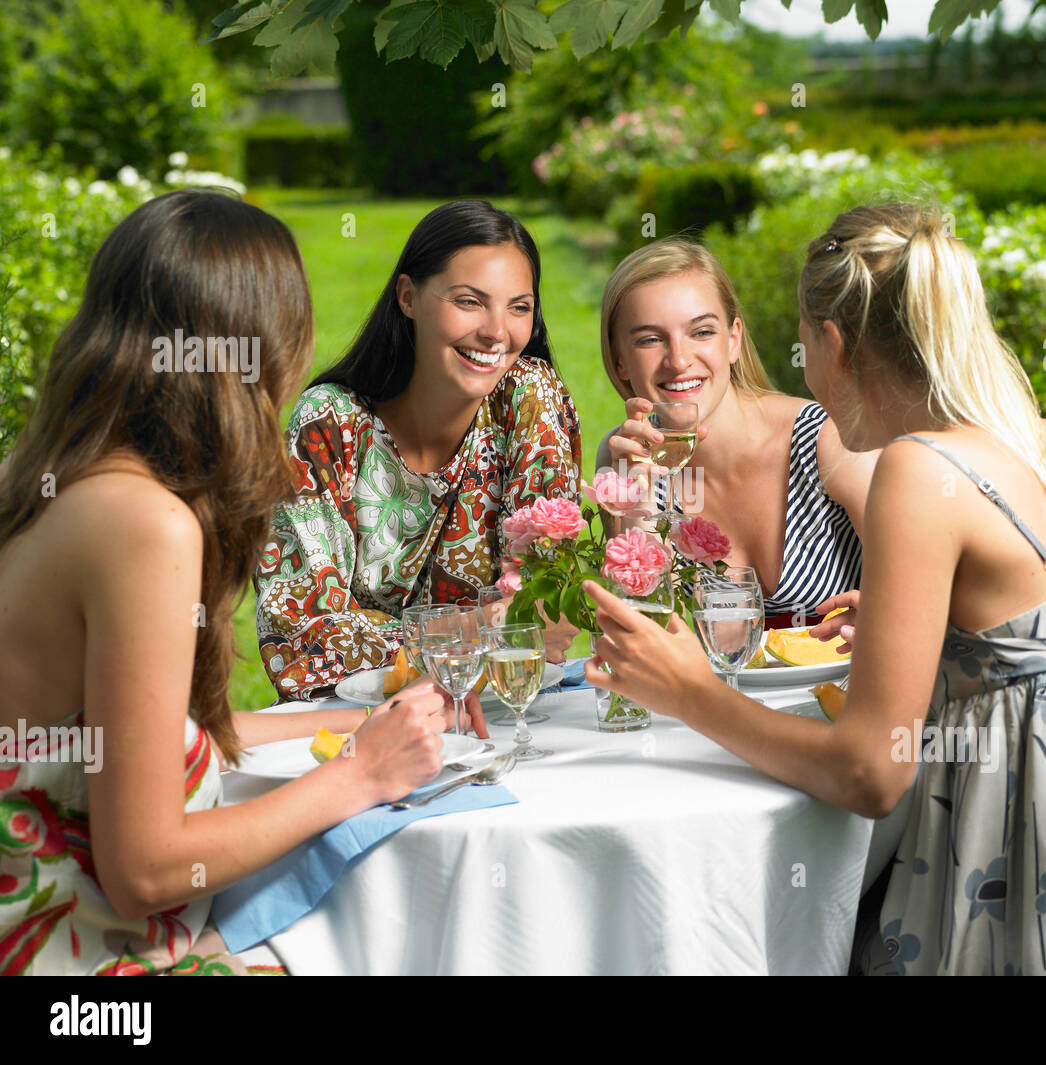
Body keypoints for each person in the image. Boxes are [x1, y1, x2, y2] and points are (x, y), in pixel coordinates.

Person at [581, 203, 1046, 975]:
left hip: (1035, 919)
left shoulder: (918, 470)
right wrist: (951, 644)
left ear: (833, 343)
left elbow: (869, 773)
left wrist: (693, 694)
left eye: (804, 344)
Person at [0, 190, 480, 975]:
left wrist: (376, 722)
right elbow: (145, 868)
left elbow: (159, 738)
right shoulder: (144, 524)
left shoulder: (46, 480)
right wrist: (362, 775)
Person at [256, 200, 582, 700]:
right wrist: (481, 627)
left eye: (519, 307)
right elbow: (299, 640)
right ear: (408, 297)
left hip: (502, 709)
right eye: (469, 302)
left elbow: (544, 606)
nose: (497, 332)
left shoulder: (528, 397)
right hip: (354, 720)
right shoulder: (331, 424)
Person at [595, 238, 871, 628]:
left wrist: (879, 624)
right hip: (714, 671)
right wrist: (634, 503)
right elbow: (646, 631)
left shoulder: (825, 439)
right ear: (620, 359)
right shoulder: (625, 457)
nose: (678, 360)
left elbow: (925, 592)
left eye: (701, 332)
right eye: (650, 339)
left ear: (733, 339)